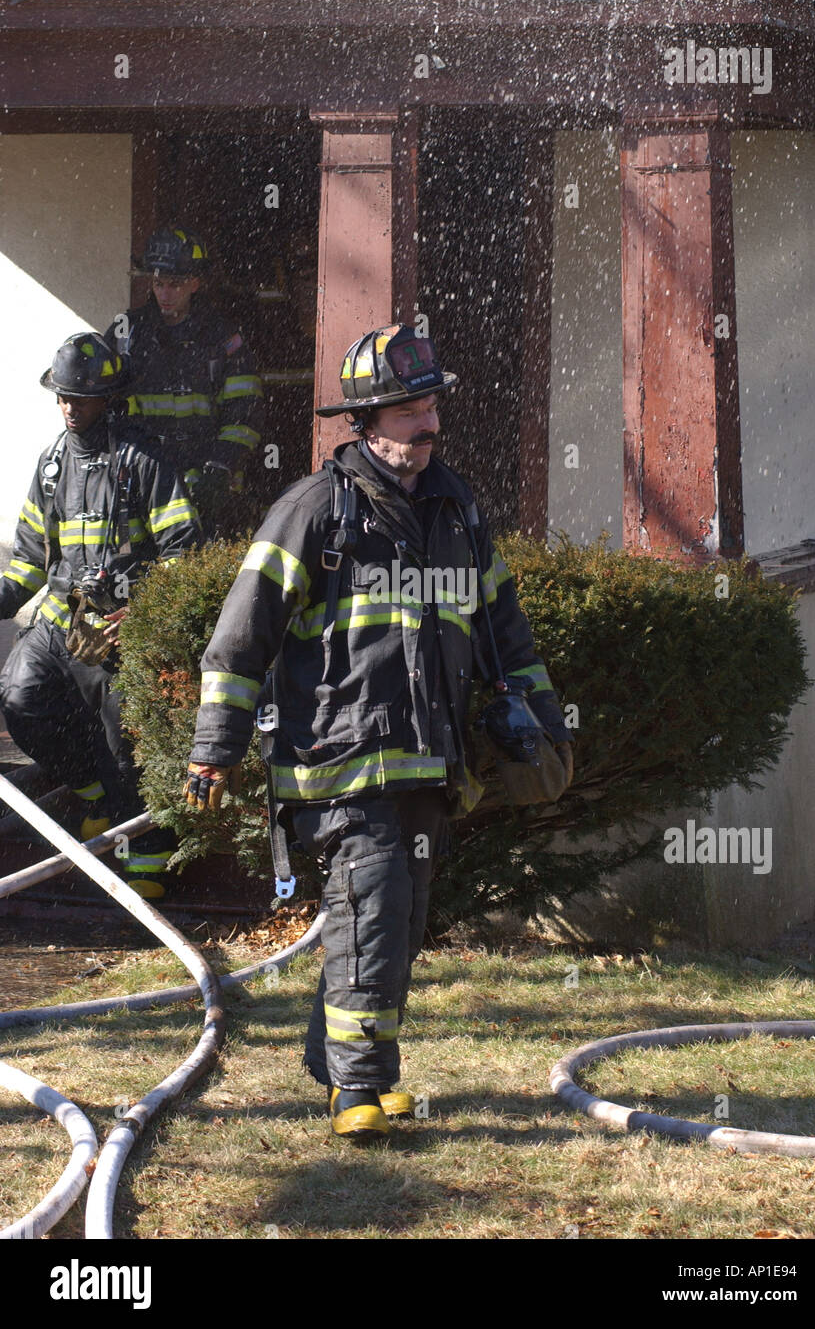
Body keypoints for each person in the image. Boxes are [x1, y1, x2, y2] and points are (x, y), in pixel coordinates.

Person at [183, 325, 573, 1137]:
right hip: (339, 758)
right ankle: (359, 1089)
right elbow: (239, 639)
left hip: (430, 761)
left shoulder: (456, 508)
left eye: (430, 404)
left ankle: (336, 1062)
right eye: (407, 409)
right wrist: (212, 750)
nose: (427, 423)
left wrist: (535, 720)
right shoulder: (313, 510)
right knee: (374, 900)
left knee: (396, 918)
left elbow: (506, 634)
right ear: (364, 420)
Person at [0, 332, 203, 898]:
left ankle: (147, 860)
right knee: (21, 698)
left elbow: (184, 550)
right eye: (62, 397)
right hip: (63, 624)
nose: (68, 408)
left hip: (125, 628)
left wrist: (139, 608)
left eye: (80, 399)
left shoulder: (144, 458)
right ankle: (89, 792)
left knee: (127, 742)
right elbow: (26, 566)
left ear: (109, 398)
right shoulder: (50, 467)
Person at [103, 226, 263, 535]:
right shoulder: (127, 333)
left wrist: (219, 465)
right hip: (139, 481)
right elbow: (105, 406)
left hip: (205, 484)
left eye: (175, 285)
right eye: (159, 283)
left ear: (195, 283)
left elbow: (245, 412)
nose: (164, 294)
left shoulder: (222, 337)